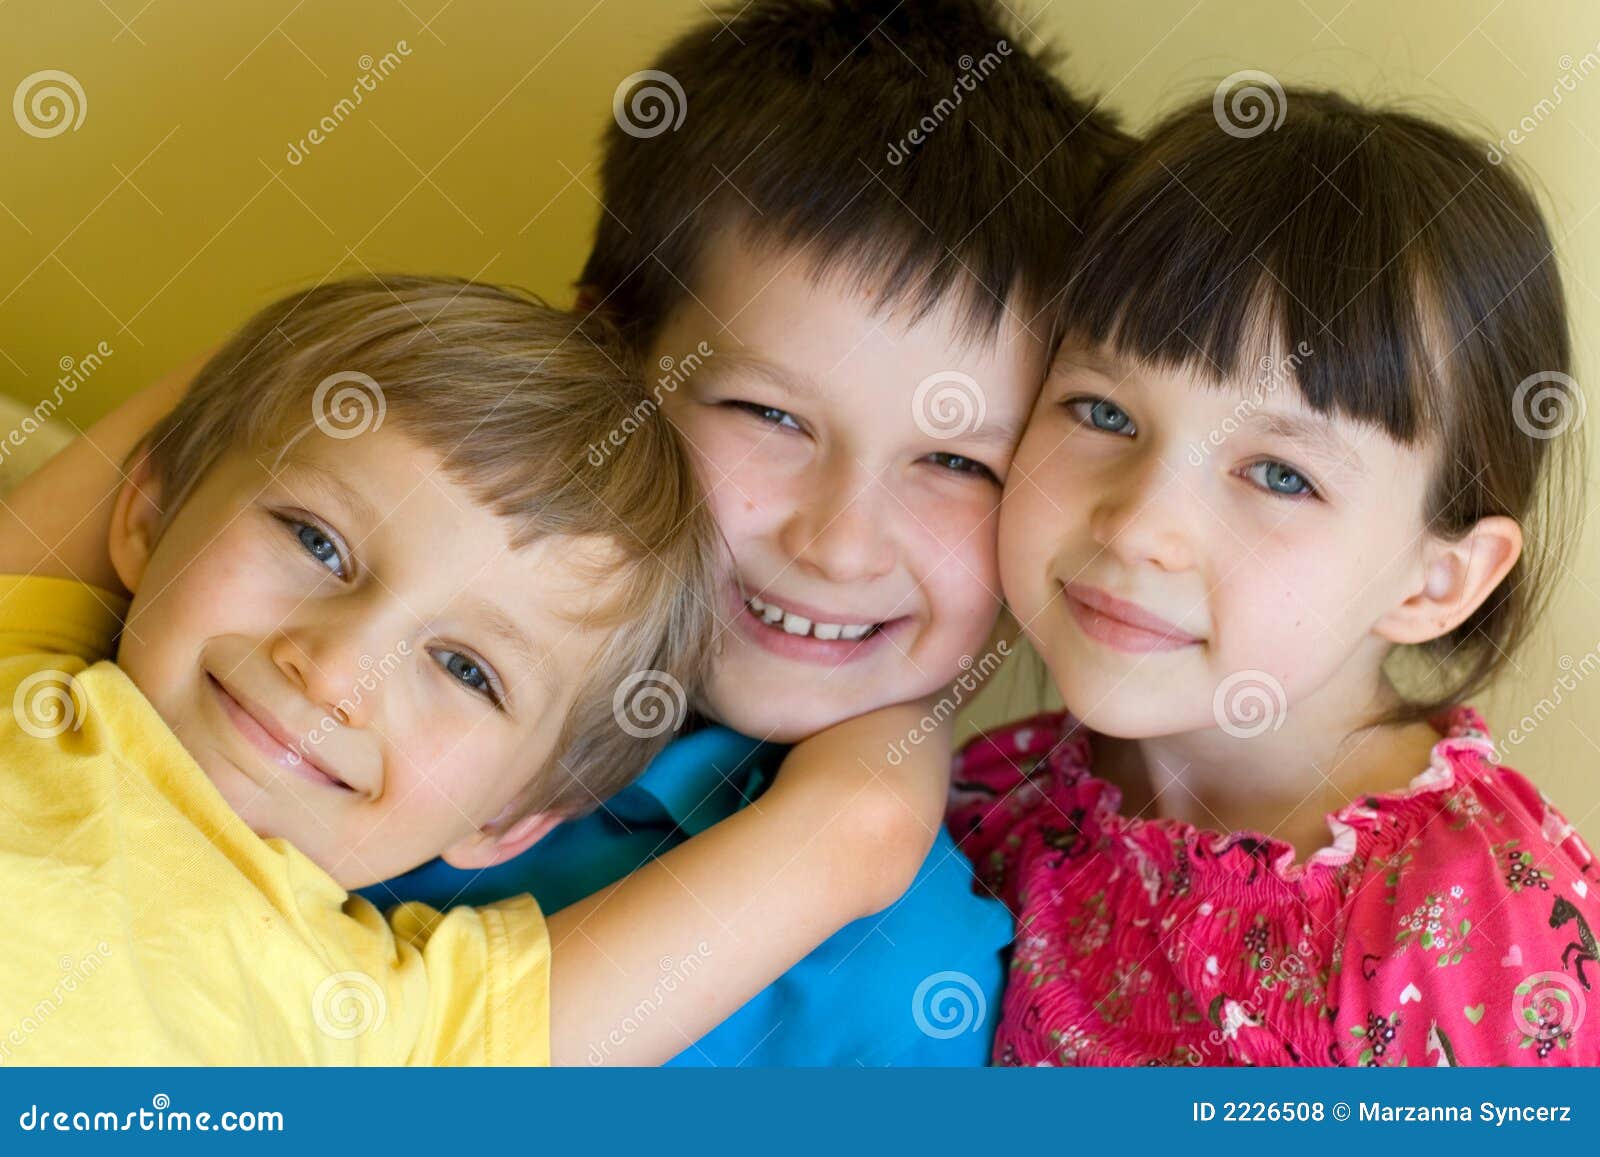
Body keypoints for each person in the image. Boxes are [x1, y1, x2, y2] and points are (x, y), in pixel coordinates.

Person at [372, 0, 1132, 1065]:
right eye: (769, 416)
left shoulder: (900, 978)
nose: (838, 542)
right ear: (602, 357)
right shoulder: (350, 648)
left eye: (958, 463)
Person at [0, 276, 952, 1065]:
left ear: (512, 818)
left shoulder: (403, 1030)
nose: (336, 673)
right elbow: (207, 415)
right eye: (316, 542)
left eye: (466, 669)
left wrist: (922, 687)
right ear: (147, 518)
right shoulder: (23, 669)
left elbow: (852, 832)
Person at [950, 87, 1599, 1066]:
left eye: (1279, 474)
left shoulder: (1480, 926)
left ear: (1432, 581)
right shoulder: (987, 804)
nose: (1137, 527)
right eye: (1102, 412)